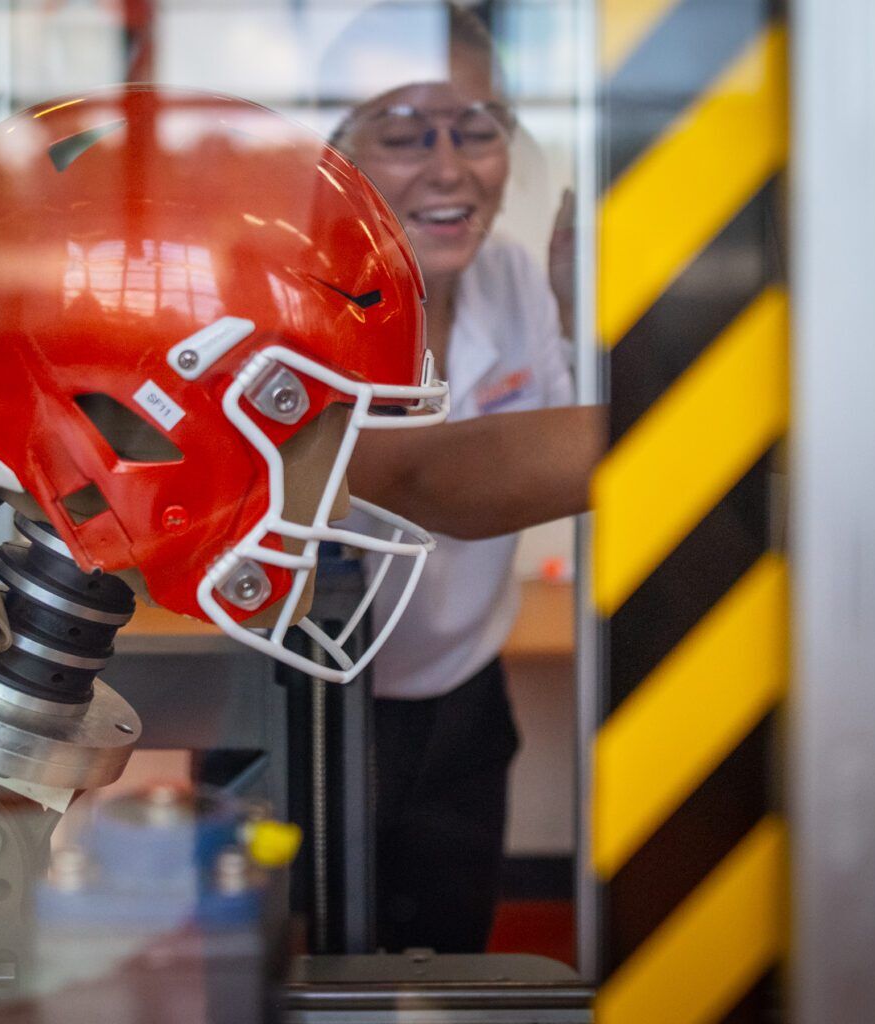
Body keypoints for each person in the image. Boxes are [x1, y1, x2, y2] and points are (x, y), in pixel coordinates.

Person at [321, 2, 605, 953]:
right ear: (338, 152)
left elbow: (558, 445)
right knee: (298, 969)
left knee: (451, 961)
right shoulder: (294, 302)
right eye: (406, 134)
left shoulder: (517, 278)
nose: (450, 168)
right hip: (314, 706)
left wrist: (583, 315)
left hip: (464, 703)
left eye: (478, 130)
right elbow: (431, 483)